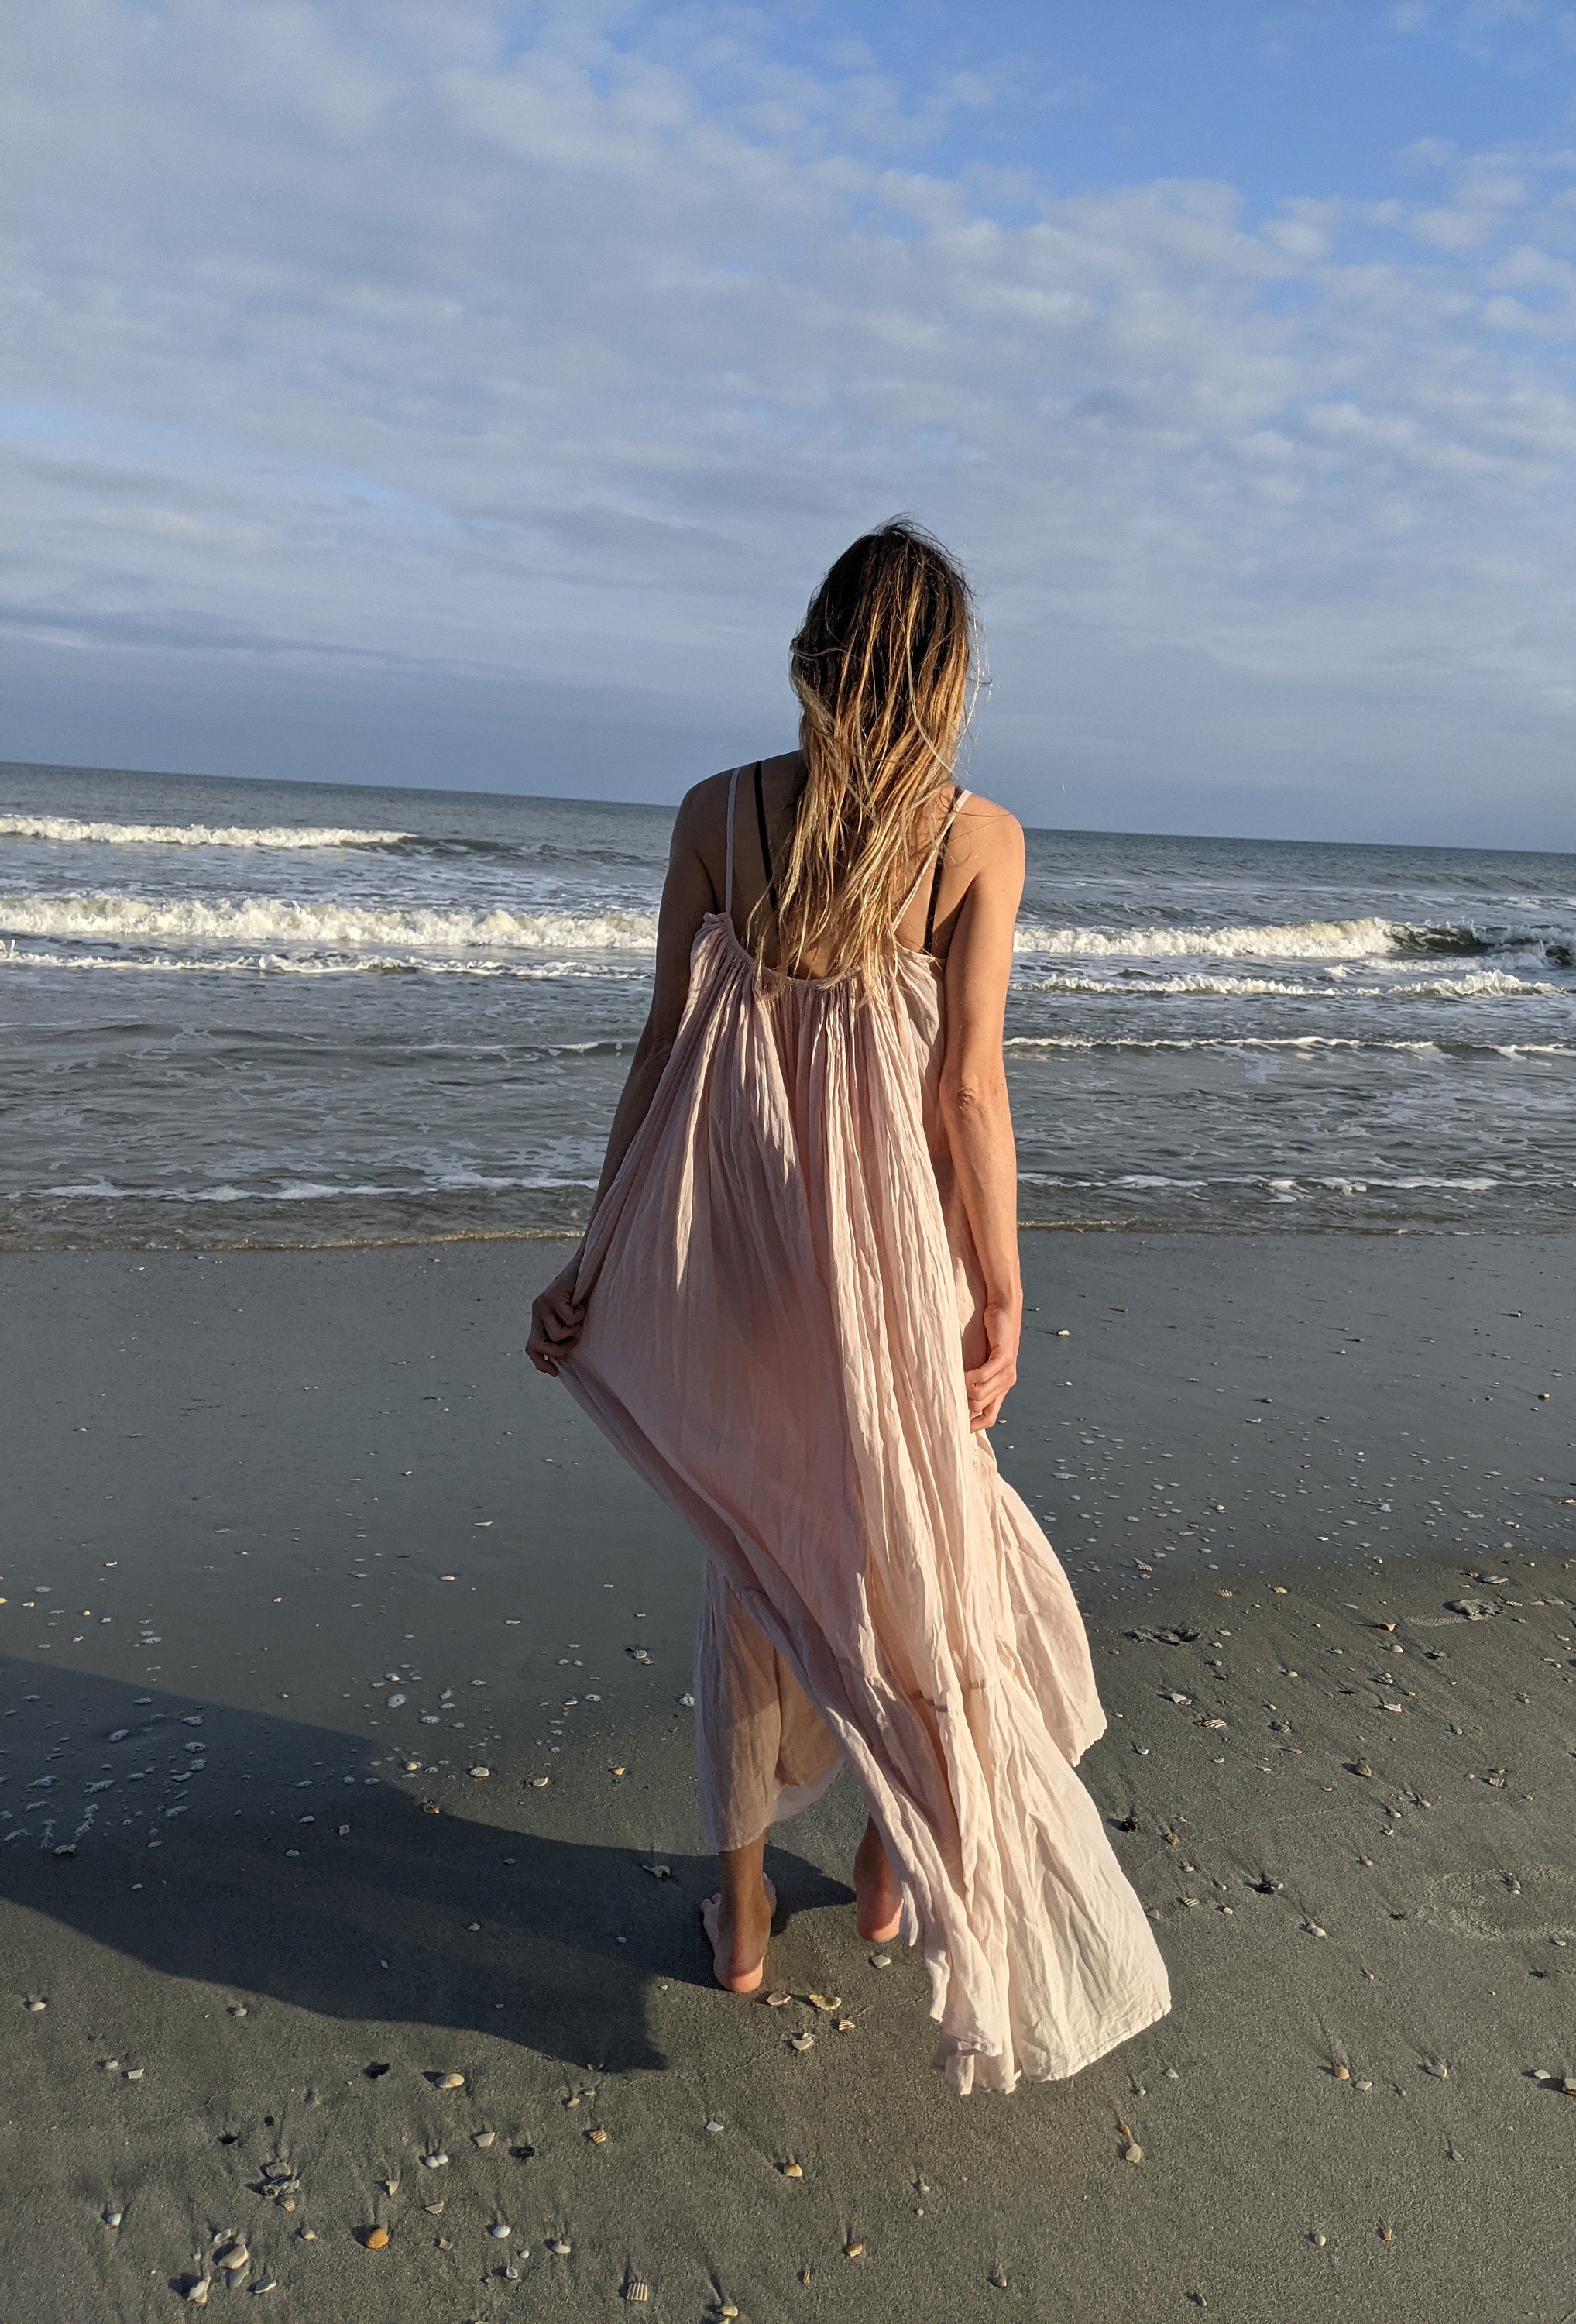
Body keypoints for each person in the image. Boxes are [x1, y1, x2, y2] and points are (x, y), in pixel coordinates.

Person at [526, 519, 1171, 2093]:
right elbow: (966, 1091)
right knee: (918, 1556)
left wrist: (598, 1256)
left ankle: (742, 1914)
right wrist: (1004, 1285)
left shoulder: (718, 814)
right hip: (893, 1273)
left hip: (740, 1253)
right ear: (951, 677)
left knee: (761, 1564)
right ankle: (894, 1869)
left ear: (815, 644)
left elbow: (664, 1051)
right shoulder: (975, 840)